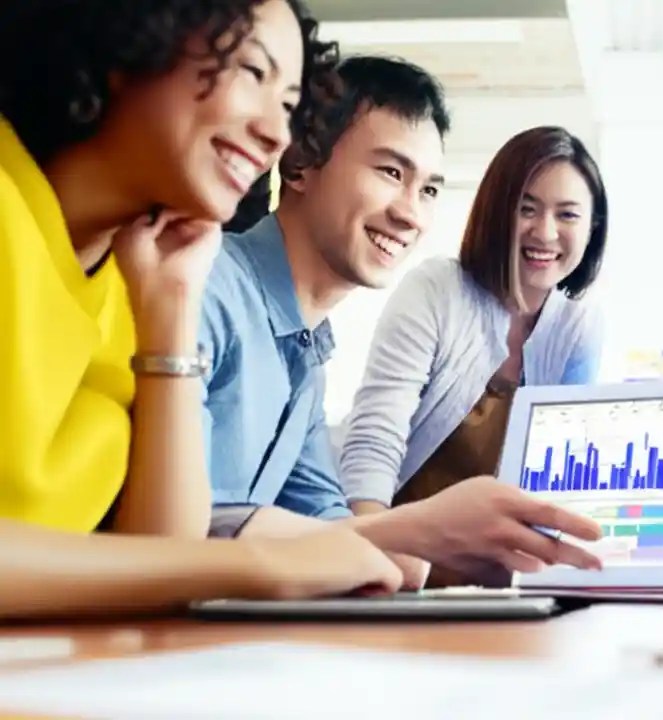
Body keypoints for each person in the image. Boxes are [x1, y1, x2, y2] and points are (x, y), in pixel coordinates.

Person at [0, 0, 406, 619]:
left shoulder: (134, 282)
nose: (276, 132)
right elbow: (173, 568)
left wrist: (171, 310)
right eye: (252, 72)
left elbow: (156, 564)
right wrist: (253, 566)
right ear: (131, 38)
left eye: (290, 105)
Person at [201, 61, 603, 586]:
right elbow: (177, 532)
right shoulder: (208, 285)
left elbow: (328, 519)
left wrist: (399, 557)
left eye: (430, 190)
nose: (411, 214)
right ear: (299, 164)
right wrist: (416, 528)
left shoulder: (307, 348)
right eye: (391, 173)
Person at [339, 126, 607, 581]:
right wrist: (370, 551)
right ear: (496, 212)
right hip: (399, 563)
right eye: (526, 209)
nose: (545, 232)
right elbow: (375, 436)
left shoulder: (579, 328)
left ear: (591, 227)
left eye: (567, 215)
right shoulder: (437, 289)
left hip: (503, 579)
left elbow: (561, 481)